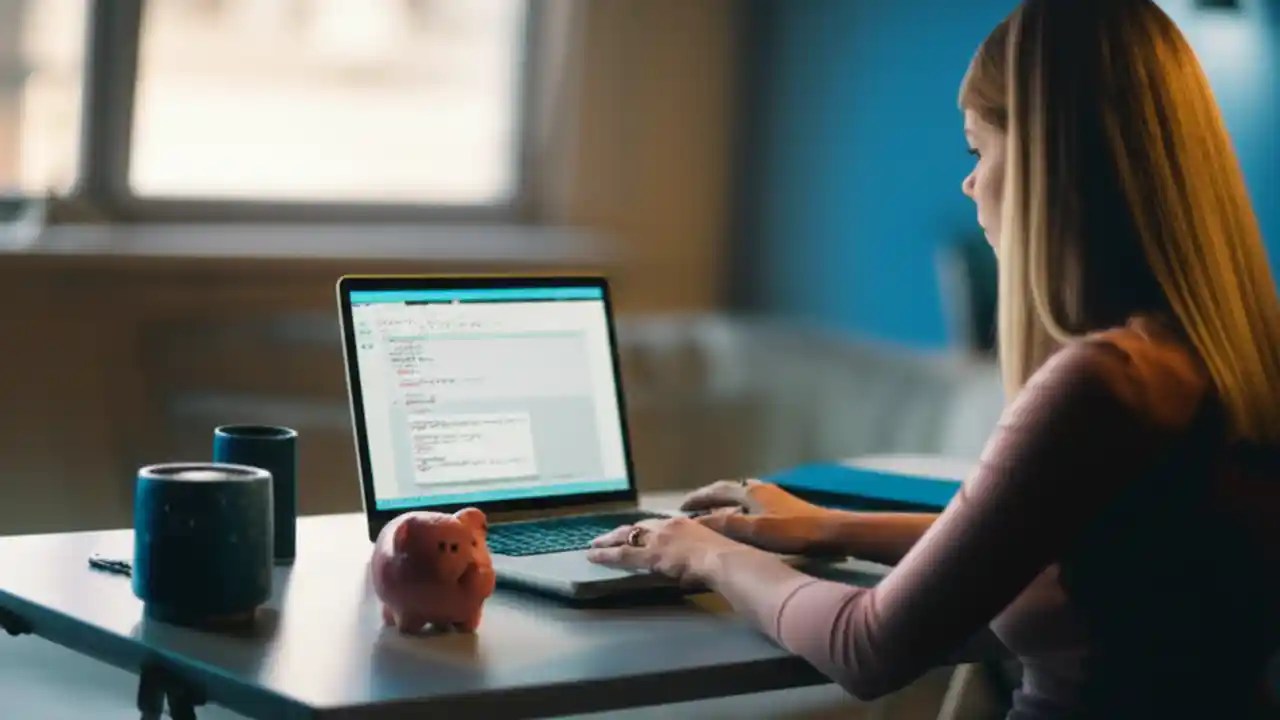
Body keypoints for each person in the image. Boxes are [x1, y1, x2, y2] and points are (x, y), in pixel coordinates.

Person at [587, 0, 1280, 716]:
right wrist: (822, 527)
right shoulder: (1229, 355)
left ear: (1046, 157)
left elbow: (868, 646)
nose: (969, 182)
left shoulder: (1106, 383)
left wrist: (705, 555)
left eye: (978, 149)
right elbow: (1051, 544)